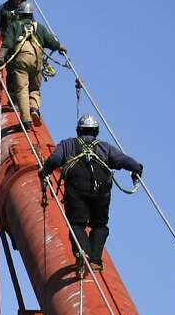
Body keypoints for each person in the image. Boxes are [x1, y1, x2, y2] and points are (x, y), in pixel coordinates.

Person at [38, 115, 144, 272]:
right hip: (101, 190)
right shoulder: (105, 147)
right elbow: (123, 160)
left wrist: (43, 172)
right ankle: (95, 260)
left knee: (77, 224)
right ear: (96, 131)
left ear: (78, 130)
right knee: (100, 225)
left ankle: (83, 252)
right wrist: (137, 168)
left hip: (76, 187)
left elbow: (54, 160)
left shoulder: (68, 144)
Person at [0, 1, 65, 128]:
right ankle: (34, 109)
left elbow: (7, 44)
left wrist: (0, 57)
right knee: (35, 89)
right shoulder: (39, 27)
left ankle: (26, 120)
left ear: (19, 14)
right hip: (37, 63)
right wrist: (61, 47)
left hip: (21, 62)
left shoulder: (15, 26)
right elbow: (53, 43)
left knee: (22, 89)